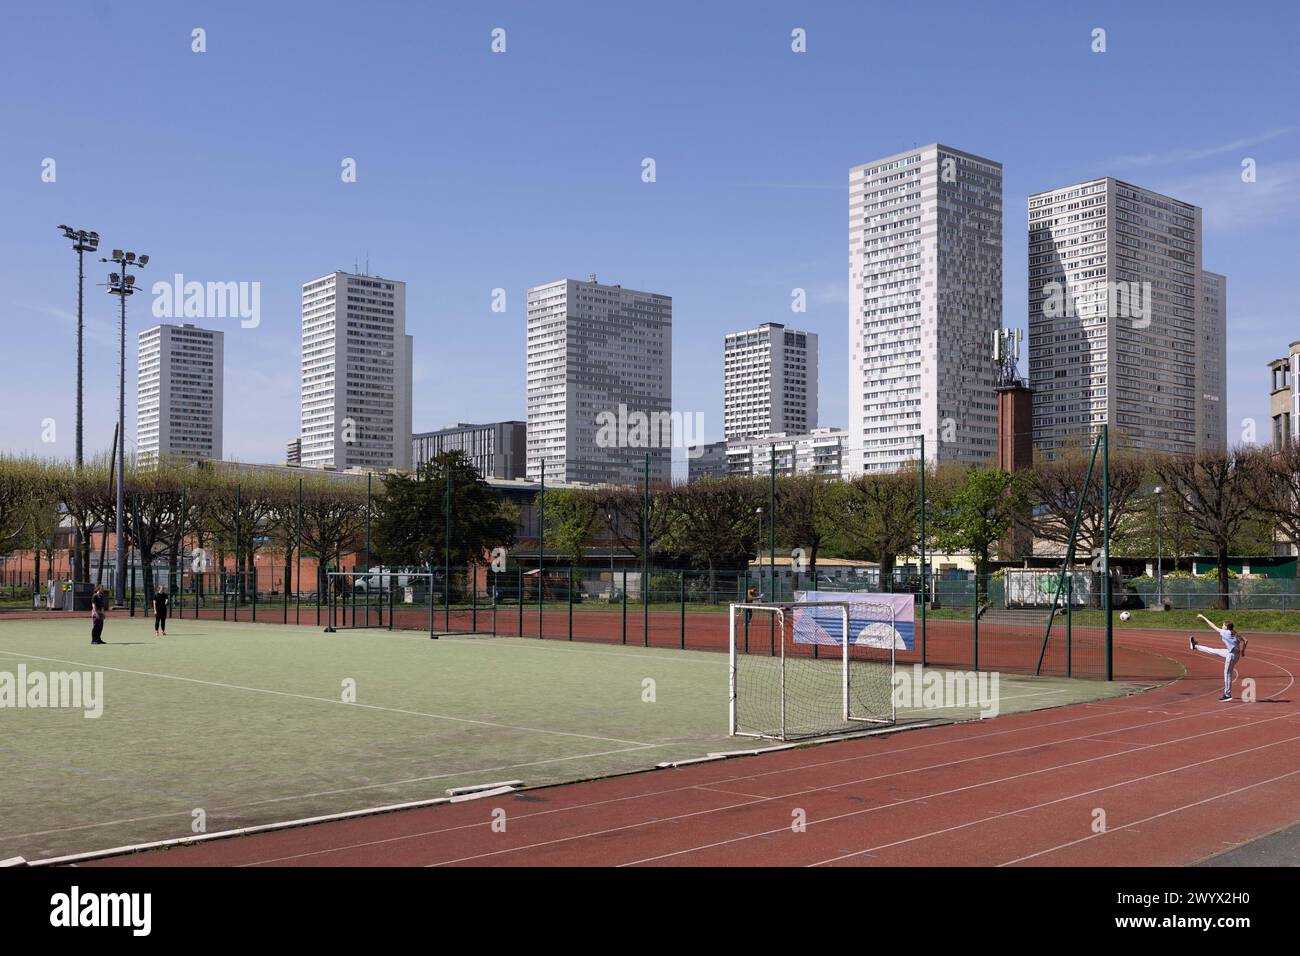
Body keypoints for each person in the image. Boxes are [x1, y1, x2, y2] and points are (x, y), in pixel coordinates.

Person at [1189, 614, 1248, 702]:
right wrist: (1243, 651)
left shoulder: (1226, 632)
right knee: (1214, 651)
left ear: (1226, 627)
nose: (1222, 626)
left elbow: (1212, 626)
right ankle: (1195, 646)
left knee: (1227, 674)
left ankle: (1227, 695)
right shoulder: (1234, 632)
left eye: (1223, 625)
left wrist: (1203, 617)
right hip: (1233, 653)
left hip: (1231, 656)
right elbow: (1246, 640)